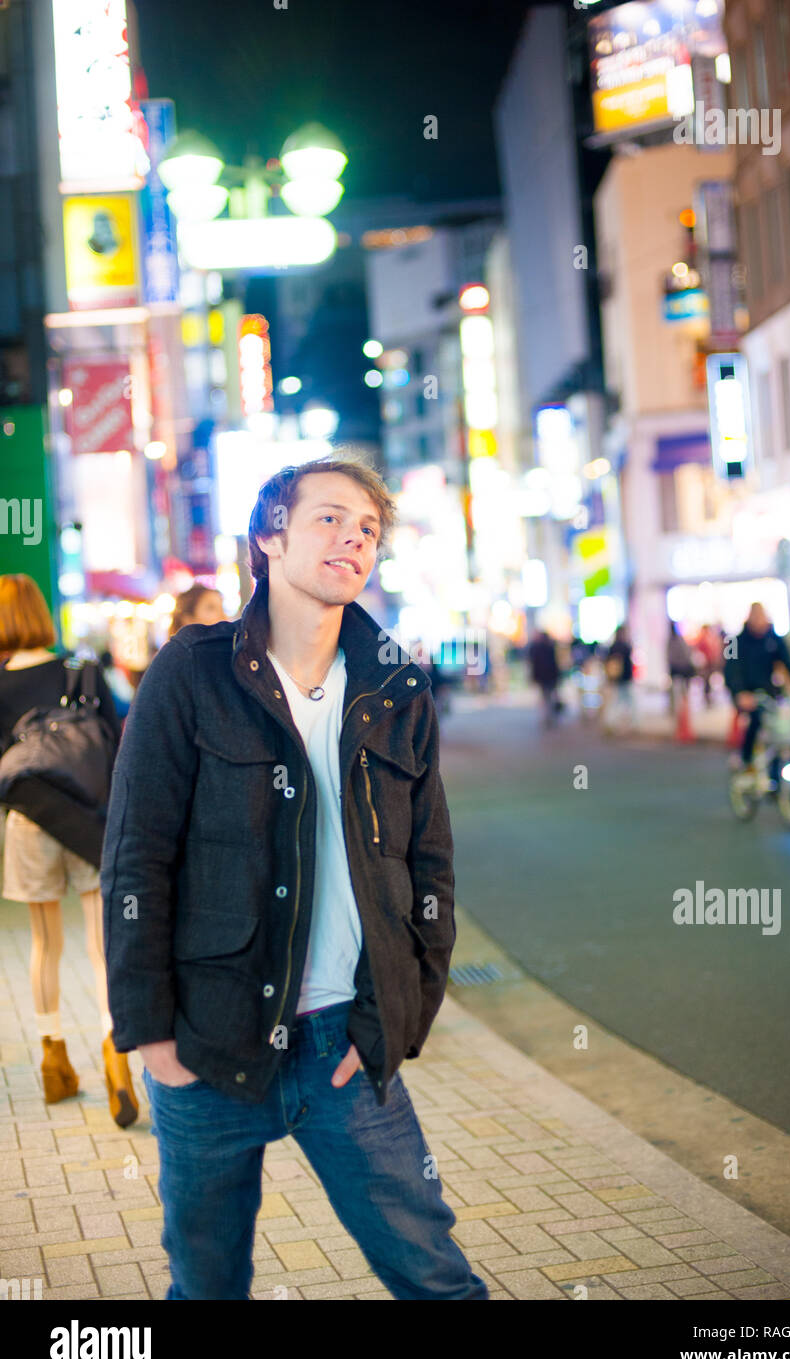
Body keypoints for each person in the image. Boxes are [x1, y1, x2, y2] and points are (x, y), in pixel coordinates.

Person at [101, 458, 489, 1301]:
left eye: (368, 530)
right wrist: (150, 1036)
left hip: (343, 1046)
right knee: (206, 1285)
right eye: (330, 518)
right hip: (207, 1040)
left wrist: (401, 1015)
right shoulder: (192, 673)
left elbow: (431, 866)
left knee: (435, 1277)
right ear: (269, 537)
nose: (353, 538)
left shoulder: (396, 686)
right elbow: (135, 857)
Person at [0, 574, 136, 1126]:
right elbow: (117, 741)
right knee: (102, 946)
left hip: (30, 824)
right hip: (89, 819)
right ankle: (115, 1056)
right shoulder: (81, 669)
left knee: (43, 944)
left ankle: (54, 1061)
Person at [724, 602, 790, 770]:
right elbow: (730, 670)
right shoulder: (733, 641)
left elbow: (789, 663)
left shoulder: (774, 639)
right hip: (746, 692)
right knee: (756, 719)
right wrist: (739, 693)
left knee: (782, 726)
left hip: (769, 690)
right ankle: (746, 759)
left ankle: (777, 769)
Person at [526, 628, 564, 727]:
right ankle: (550, 716)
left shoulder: (537, 648)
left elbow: (533, 663)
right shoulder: (550, 647)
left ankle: (548, 716)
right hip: (550, 676)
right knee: (549, 696)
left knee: (546, 697)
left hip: (545, 677)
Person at [601, 624, 635, 734]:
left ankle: (613, 723)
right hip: (624, 677)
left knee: (618, 701)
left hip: (616, 678)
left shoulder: (613, 647)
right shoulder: (624, 646)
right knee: (626, 701)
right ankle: (624, 724)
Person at [667, 620, 696, 716]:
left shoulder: (674, 640)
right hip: (679, 668)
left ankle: (682, 709)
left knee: (680, 690)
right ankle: (680, 709)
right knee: (679, 690)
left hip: (679, 668)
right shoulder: (675, 640)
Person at [693, 623, 723, 705]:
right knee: (706, 681)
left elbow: (715, 650)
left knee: (709, 681)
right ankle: (707, 697)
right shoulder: (703, 639)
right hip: (705, 664)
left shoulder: (710, 638)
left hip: (710, 663)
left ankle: (709, 697)